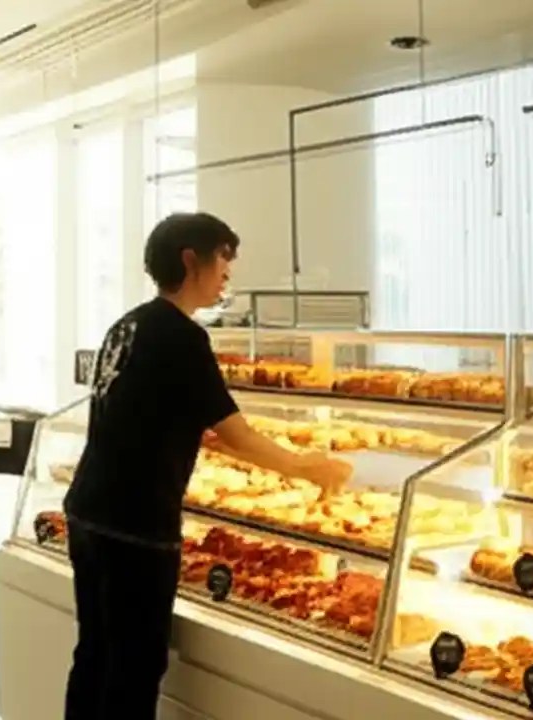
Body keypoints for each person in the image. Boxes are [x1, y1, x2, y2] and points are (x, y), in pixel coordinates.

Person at [61, 212, 353, 719]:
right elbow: (236, 434)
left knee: (95, 655)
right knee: (133, 668)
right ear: (190, 259)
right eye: (223, 257)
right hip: (137, 526)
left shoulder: (127, 324)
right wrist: (307, 467)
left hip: (90, 514)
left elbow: (141, 410)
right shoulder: (182, 337)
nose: (228, 273)